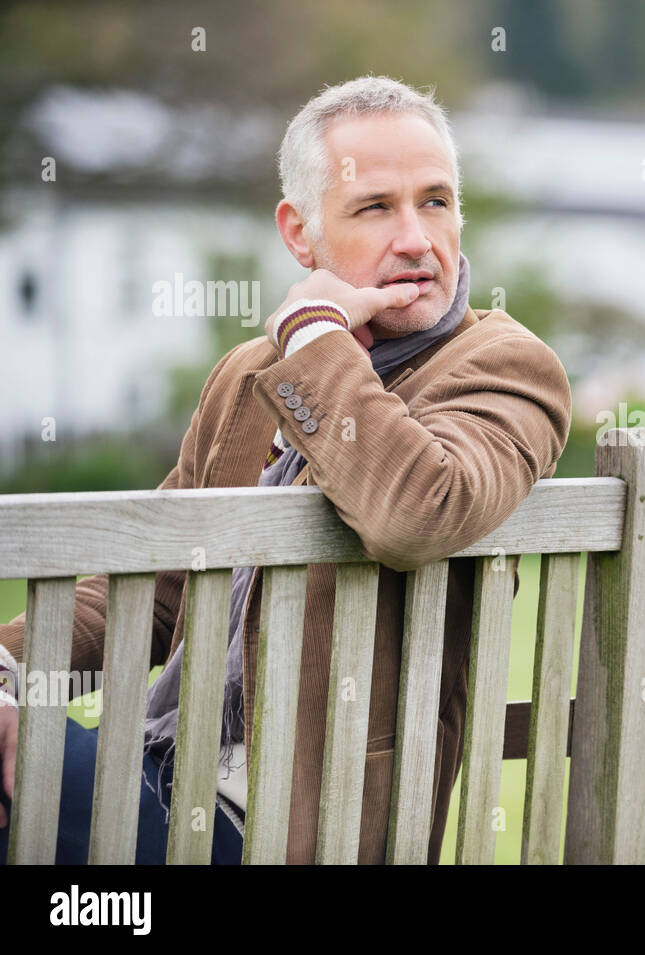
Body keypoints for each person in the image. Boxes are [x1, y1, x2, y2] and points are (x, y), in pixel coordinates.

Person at [0, 75, 572, 864]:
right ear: (300, 236)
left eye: (435, 201)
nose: (416, 237)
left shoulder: (503, 366)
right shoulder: (250, 374)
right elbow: (153, 582)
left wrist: (315, 336)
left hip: (291, 830)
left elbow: (419, 511)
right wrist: (4, 669)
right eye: (376, 207)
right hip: (159, 776)